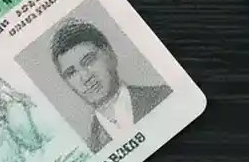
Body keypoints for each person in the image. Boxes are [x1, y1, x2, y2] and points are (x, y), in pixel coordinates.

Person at [49, 18, 172, 152]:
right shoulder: (92, 150)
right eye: (71, 73)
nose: (85, 77)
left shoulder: (165, 96)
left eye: (89, 61)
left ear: (110, 54)